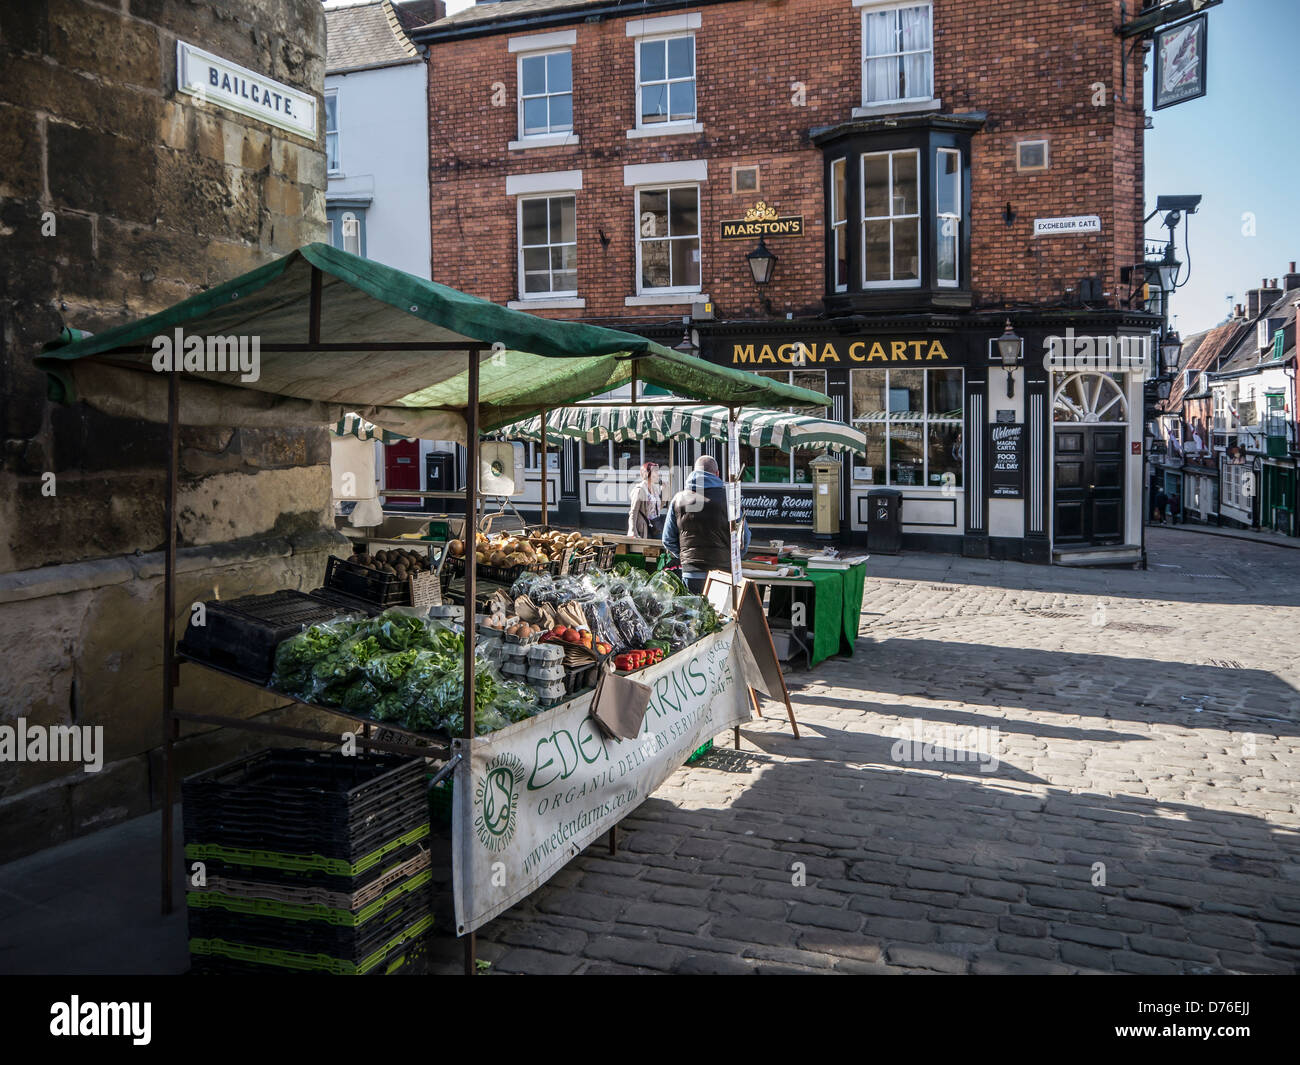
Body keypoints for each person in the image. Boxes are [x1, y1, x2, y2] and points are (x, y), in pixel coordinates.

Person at [662, 455, 749, 594]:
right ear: (717, 474)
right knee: (720, 615)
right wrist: (730, 558)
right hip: (723, 572)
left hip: (691, 572)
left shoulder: (678, 499)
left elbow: (667, 540)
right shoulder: (730, 498)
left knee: (694, 613)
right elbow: (743, 540)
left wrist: (686, 557)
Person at [626, 462, 662, 538]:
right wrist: (632, 530)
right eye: (655, 471)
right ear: (647, 473)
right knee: (646, 548)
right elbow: (633, 511)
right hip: (644, 527)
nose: (658, 474)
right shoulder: (640, 490)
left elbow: (656, 508)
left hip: (655, 526)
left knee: (661, 547)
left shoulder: (655, 489)